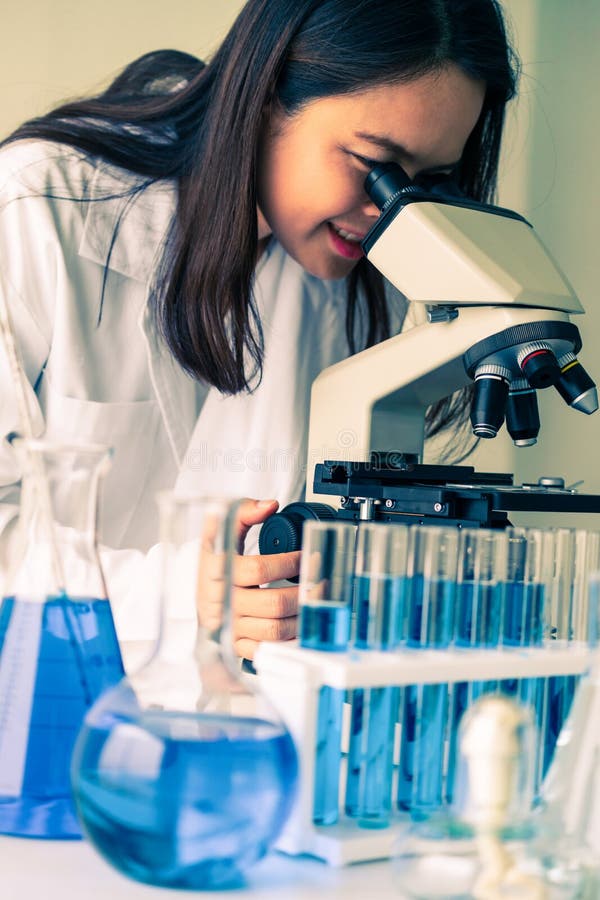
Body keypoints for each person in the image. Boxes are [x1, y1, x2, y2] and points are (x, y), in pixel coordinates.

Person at [0, 0, 518, 659]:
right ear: (267, 98)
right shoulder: (36, 211)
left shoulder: (366, 285)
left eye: (428, 180)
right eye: (375, 166)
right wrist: (182, 598)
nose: (390, 212)